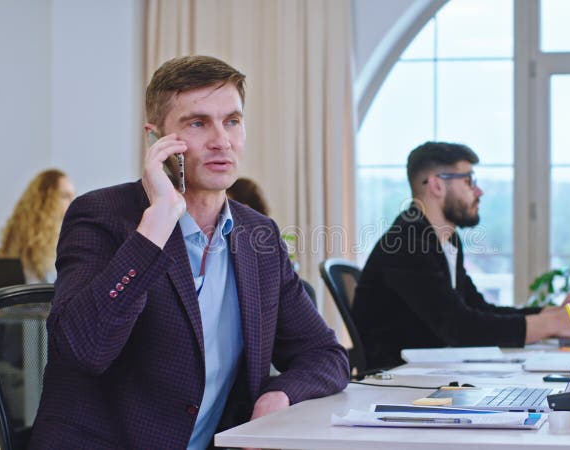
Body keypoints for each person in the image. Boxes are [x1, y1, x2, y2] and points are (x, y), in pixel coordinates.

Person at [30, 55, 349, 449]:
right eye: (198, 123)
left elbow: (325, 354)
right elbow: (83, 350)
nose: (221, 140)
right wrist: (157, 223)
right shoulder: (101, 215)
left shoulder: (258, 235)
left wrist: (279, 395)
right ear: (156, 140)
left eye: (232, 121)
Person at [352, 141, 570, 370]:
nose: (479, 191)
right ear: (437, 185)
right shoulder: (406, 243)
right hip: (396, 379)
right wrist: (553, 323)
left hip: (429, 371)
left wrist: (551, 313)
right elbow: (460, 328)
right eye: (468, 181)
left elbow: (477, 309)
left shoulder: (445, 239)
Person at [0, 169, 76, 283]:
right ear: (45, 199)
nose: (73, 202)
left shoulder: (72, 236)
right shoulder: (23, 243)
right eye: (65, 196)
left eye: (73, 196)